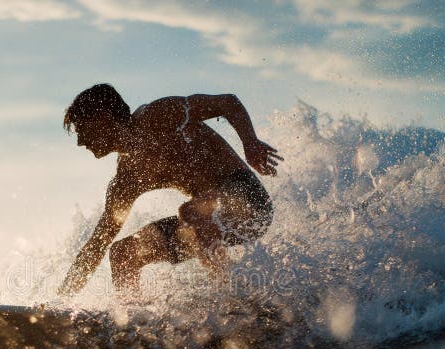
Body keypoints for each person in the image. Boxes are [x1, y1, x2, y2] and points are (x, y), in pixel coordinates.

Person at [58, 83, 282, 296]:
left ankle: (233, 296)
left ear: (102, 119)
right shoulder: (126, 179)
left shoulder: (158, 116)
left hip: (248, 200)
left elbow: (228, 103)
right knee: (123, 253)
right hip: (206, 223)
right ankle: (133, 323)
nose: (80, 141)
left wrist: (250, 143)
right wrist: (61, 299)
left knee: (191, 213)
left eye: (81, 129)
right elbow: (97, 244)